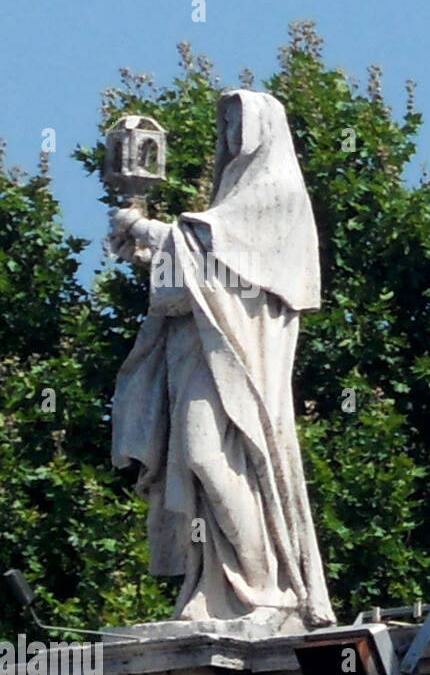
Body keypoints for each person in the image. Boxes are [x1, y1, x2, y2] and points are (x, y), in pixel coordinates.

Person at [108, 89, 334, 627]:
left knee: (212, 458)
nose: (230, 136)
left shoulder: (275, 194)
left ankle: (264, 588)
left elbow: (221, 260)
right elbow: (189, 283)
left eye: (239, 124)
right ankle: (214, 586)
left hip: (236, 362)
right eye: (225, 125)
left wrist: (148, 230)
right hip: (194, 355)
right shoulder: (227, 204)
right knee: (195, 467)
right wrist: (150, 249)